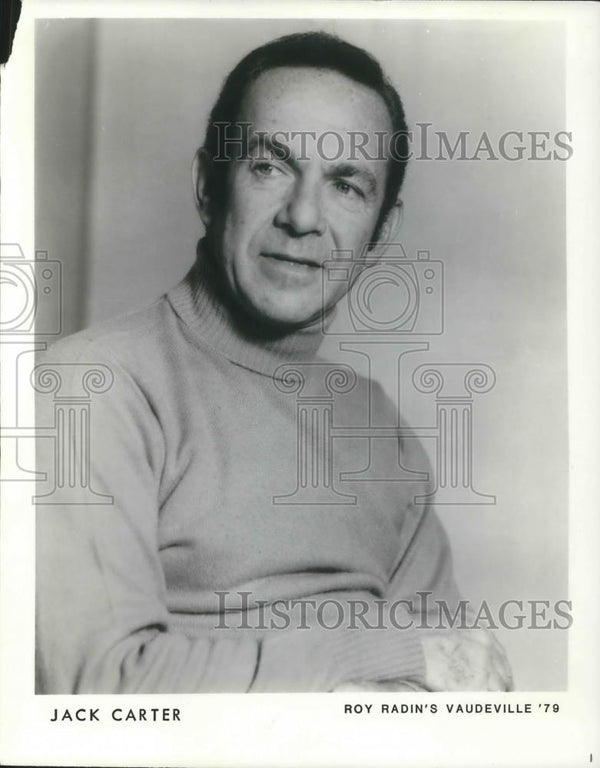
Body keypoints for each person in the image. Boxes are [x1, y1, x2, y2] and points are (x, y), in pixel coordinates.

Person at [35, 31, 512, 693]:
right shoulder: (89, 388)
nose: (303, 216)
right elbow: (104, 687)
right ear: (209, 185)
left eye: (346, 185)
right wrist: (374, 659)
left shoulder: (379, 428)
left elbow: (455, 677)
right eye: (271, 166)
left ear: (380, 232)